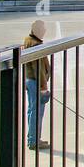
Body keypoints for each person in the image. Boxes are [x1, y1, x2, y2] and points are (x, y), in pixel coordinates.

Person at [23, 19, 52, 151]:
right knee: (36, 112)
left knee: (32, 110)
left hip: (29, 80)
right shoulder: (35, 45)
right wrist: (43, 86)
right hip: (36, 82)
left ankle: (32, 138)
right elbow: (38, 68)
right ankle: (33, 141)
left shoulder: (27, 40)